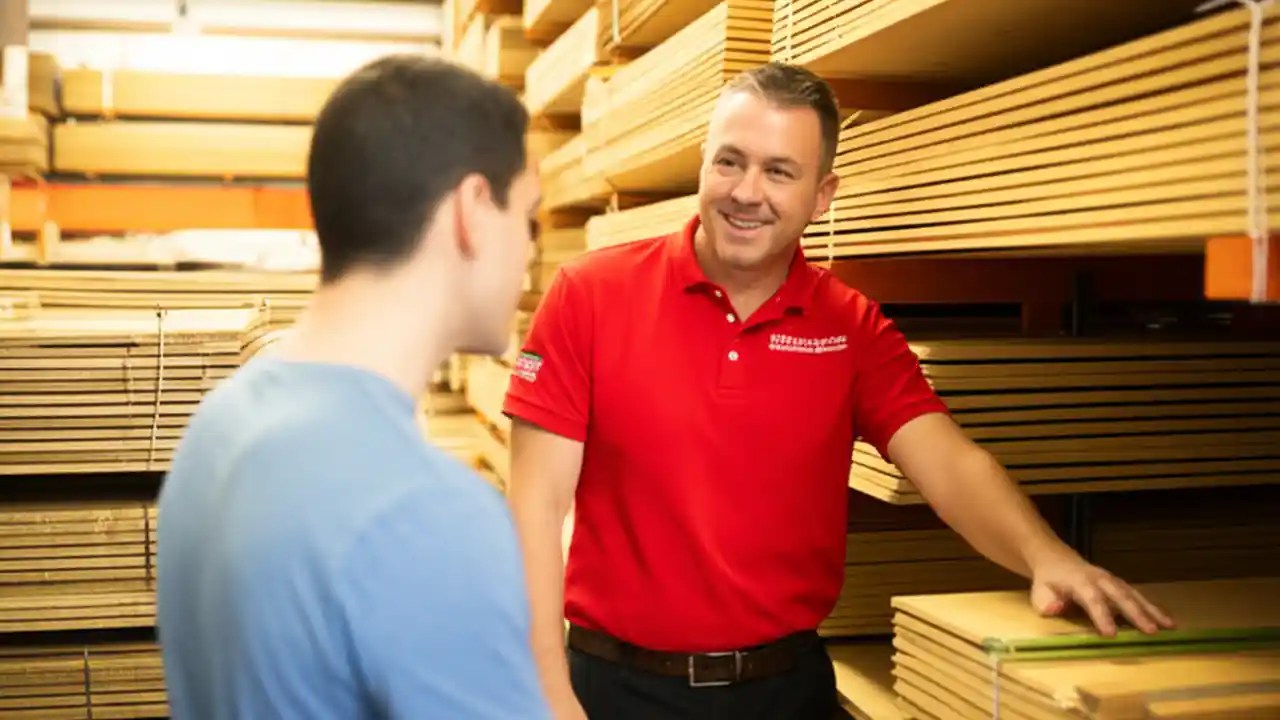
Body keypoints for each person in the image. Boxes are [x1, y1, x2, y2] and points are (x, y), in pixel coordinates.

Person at [503, 61, 1175, 720]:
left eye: (779, 172)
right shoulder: (590, 295)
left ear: (822, 197)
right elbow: (535, 505)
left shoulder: (850, 326)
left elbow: (949, 463)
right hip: (614, 690)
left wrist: (1045, 554)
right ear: (703, 166)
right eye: (729, 162)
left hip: (785, 691)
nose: (746, 191)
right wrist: (546, 690)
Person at [156, 55, 551, 719]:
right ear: (475, 211)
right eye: (530, 219)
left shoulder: (217, 427)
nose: (533, 252)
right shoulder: (429, 515)